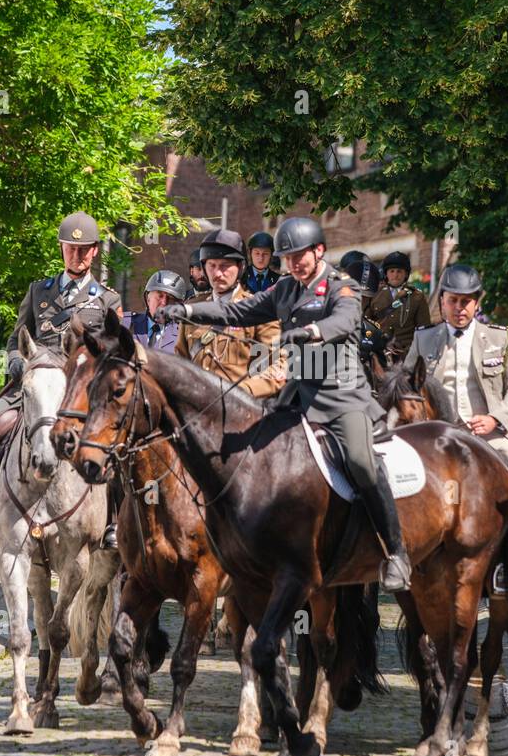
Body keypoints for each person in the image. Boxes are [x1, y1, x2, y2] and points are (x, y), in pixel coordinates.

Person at [161, 215, 412, 590]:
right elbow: (237, 312)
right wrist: (189, 311)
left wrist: (311, 331)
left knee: (361, 460)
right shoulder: (284, 290)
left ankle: (396, 552)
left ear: (319, 251)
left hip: (340, 396)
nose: (294, 263)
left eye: (300, 256)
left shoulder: (340, 286)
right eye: (288, 257)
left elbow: (344, 322)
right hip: (296, 396)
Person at [0, 212, 121, 544]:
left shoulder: (107, 300)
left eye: (84, 249)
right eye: (70, 248)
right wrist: (17, 360)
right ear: (62, 249)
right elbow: (15, 337)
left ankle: (111, 525)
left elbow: (112, 349)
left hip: (78, 390)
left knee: (114, 443)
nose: (76, 255)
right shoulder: (38, 292)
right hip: (35, 384)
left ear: (94, 252)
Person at [404, 264, 508, 501]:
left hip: (490, 436)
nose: (459, 308)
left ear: (476, 303)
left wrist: (495, 419)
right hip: (436, 435)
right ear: (442, 301)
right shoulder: (424, 338)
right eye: (453, 301)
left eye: (465, 301)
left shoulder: (500, 337)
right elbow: (406, 385)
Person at [175, 228, 286, 398]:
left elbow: (278, 365)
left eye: (225, 266)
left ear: (240, 267)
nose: (217, 273)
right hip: (195, 408)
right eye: (211, 265)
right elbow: (180, 361)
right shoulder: (192, 308)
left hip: (240, 410)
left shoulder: (259, 310)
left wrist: (241, 392)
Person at [368, 250, 431, 356]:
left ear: (406, 274)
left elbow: (424, 329)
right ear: (386, 274)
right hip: (379, 354)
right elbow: (367, 324)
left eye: (399, 271)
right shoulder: (375, 295)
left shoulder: (417, 297)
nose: (395, 275)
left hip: (407, 353)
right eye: (392, 271)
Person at [124, 270, 187, 352]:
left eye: (171, 298)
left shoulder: (183, 336)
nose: (164, 303)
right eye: (159, 296)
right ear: (148, 298)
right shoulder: (126, 322)